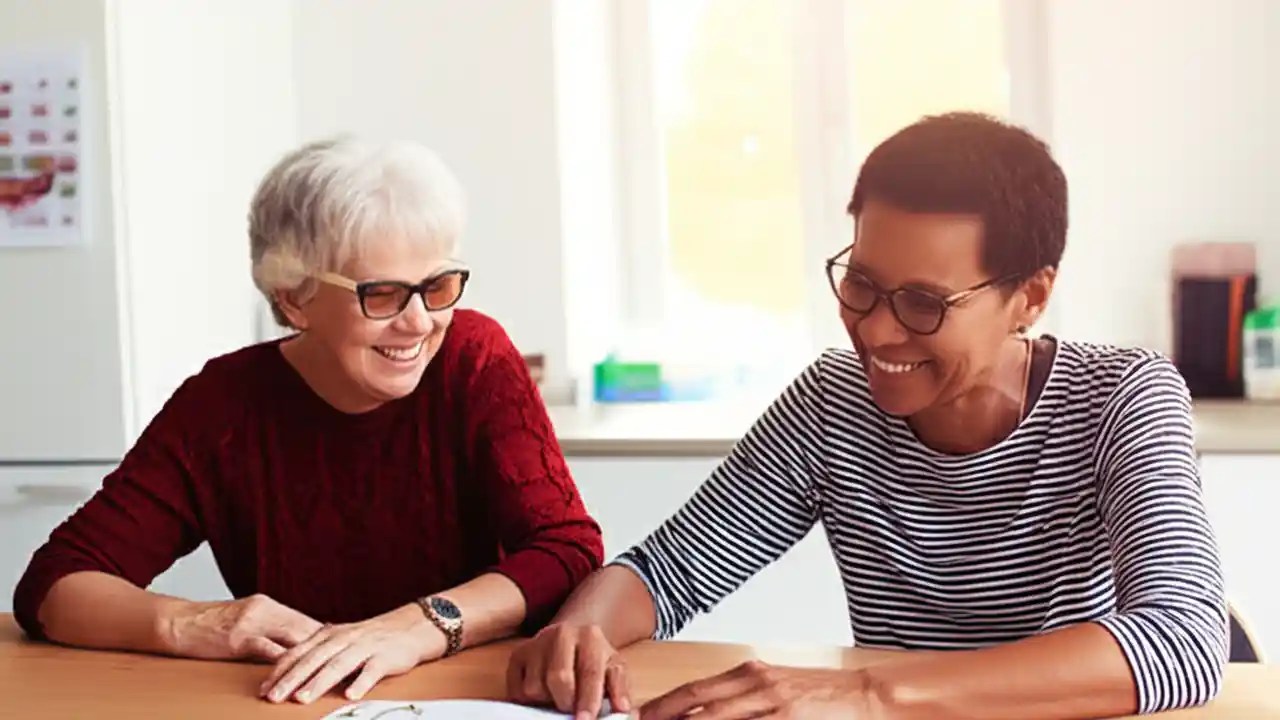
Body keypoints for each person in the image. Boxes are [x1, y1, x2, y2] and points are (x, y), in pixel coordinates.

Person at [507, 112, 1228, 719]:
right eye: (861, 284)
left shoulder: (1122, 397)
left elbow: (1182, 641)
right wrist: (580, 630)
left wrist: (866, 692)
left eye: (923, 303)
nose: (877, 333)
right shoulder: (833, 403)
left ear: (1032, 297)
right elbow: (666, 572)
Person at [13, 137, 604, 705]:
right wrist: (197, 622)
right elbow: (55, 584)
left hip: (477, 693)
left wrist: (419, 628)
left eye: (438, 286)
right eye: (382, 295)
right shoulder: (223, 405)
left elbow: (567, 548)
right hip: (310, 703)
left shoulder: (474, 356)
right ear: (294, 297)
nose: (420, 322)